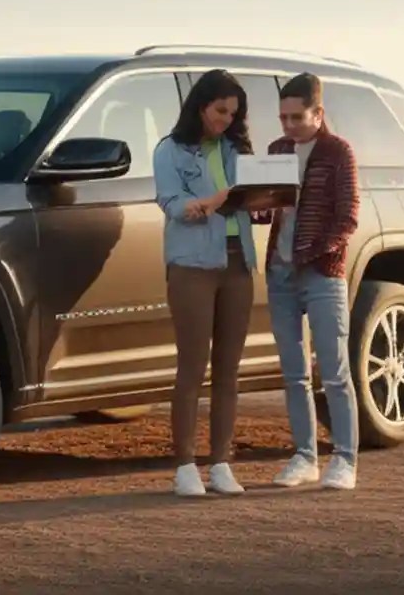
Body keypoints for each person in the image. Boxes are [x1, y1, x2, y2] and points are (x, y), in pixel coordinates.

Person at [153, 69, 273, 497]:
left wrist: (265, 202)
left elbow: (252, 201)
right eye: (220, 110)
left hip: (238, 263)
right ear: (201, 105)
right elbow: (173, 205)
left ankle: (221, 463)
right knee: (192, 367)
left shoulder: (234, 148)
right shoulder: (170, 150)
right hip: (192, 265)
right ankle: (185, 465)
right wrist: (215, 202)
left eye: (233, 113)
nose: (226, 119)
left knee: (228, 369)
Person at [263, 72, 361, 491]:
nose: (287, 126)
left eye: (296, 117)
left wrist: (315, 251)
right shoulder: (276, 151)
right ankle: (305, 455)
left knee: (334, 371)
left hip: (322, 273)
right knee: (293, 371)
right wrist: (252, 203)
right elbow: (266, 210)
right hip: (280, 272)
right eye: (282, 117)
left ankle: (345, 458)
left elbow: (349, 216)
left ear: (318, 113)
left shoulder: (339, 153)